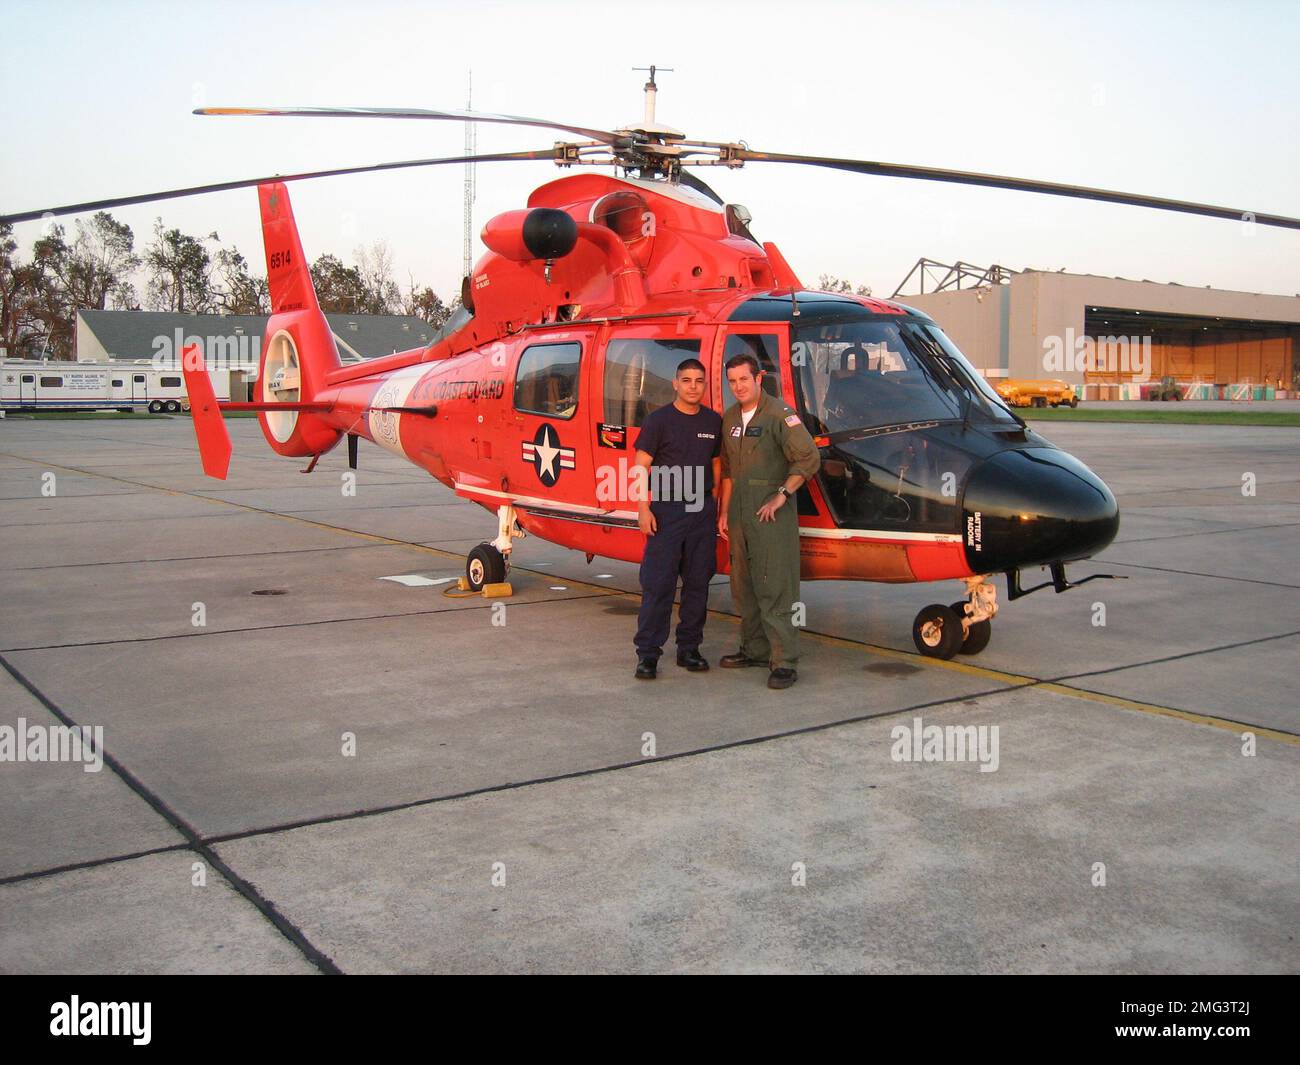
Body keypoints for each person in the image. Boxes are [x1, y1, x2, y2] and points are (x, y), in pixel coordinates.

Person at [717, 353, 820, 689]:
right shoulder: (731, 417)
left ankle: (784, 661)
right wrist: (724, 513)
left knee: (775, 586)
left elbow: (808, 457)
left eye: (744, 379)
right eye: (732, 381)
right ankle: (755, 650)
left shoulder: (780, 414)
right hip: (739, 517)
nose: (738, 387)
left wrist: (783, 494)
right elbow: (729, 471)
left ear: (758, 378)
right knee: (743, 586)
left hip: (771, 517)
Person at [632, 359, 723, 679]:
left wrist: (717, 508)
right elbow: (640, 467)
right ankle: (648, 654)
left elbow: (716, 467)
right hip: (666, 513)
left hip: (702, 513)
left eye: (699, 381)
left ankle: (689, 648)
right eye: (687, 380)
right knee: (659, 584)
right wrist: (644, 509)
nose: (693, 386)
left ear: (705, 386)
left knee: (698, 583)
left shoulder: (714, 422)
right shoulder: (659, 421)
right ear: (675, 384)